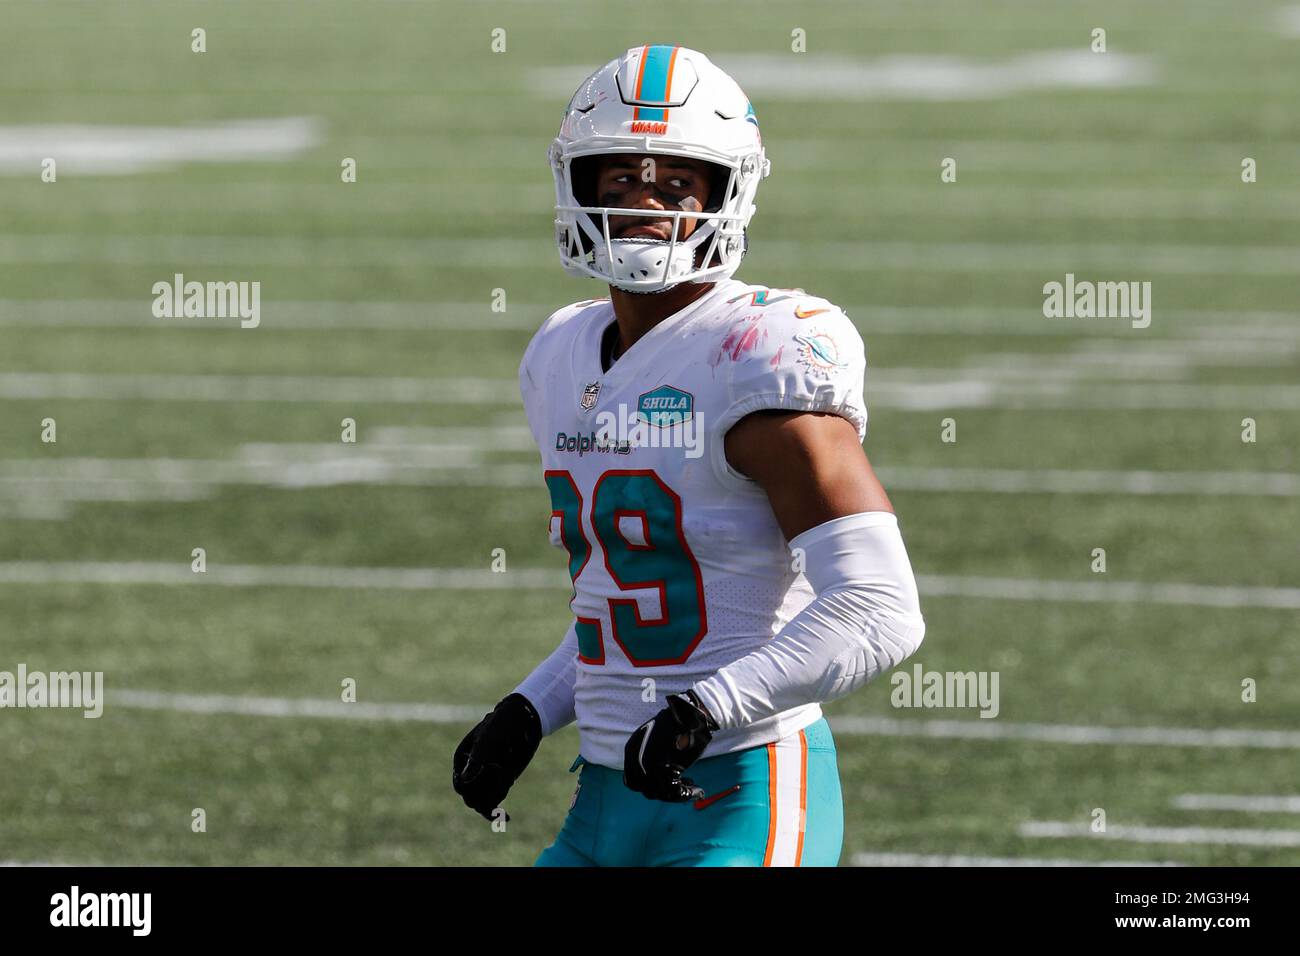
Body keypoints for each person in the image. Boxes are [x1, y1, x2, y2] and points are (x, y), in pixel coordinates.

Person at [453, 44, 926, 867]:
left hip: (739, 792)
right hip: (603, 797)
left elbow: (881, 608)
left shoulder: (759, 353)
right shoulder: (561, 352)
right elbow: (630, 600)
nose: (643, 202)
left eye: (676, 183)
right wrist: (532, 708)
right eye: (619, 179)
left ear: (726, 193)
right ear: (577, 186)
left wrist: (704, 711)